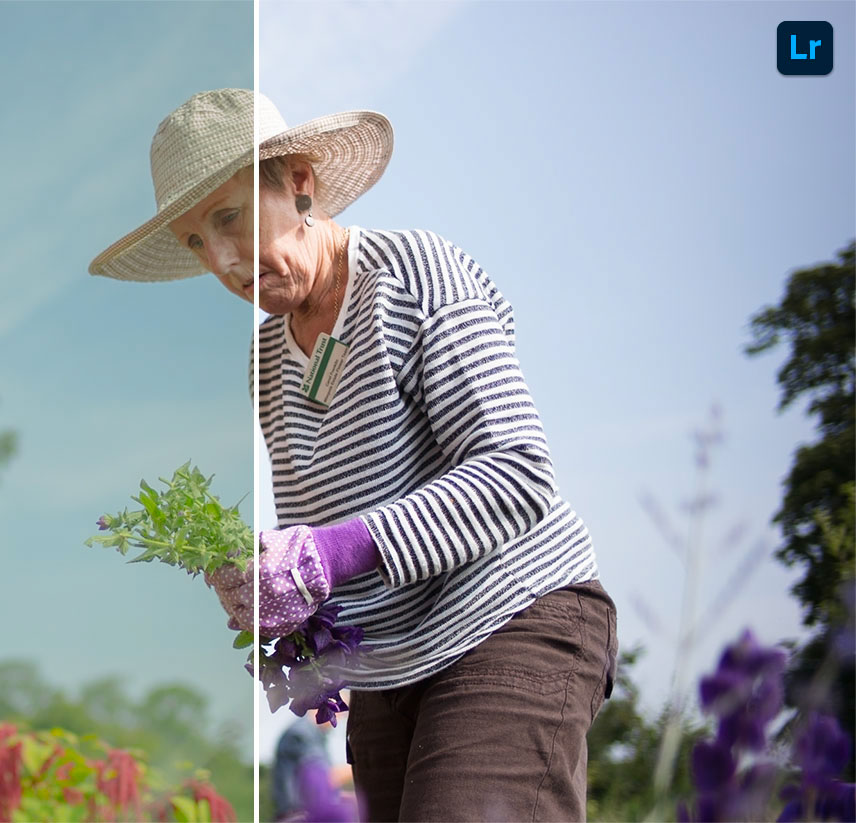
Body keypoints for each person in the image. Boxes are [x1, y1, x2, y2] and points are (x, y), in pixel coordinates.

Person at [91, 88, 618, 822]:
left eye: (229, 217)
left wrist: (326, 555)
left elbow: (517, 472)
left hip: (512, 616)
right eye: (195, 242)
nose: (222, 261)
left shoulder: (415, 275)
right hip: (396, 665)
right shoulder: (267, 358)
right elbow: (325, 545)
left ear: (300, 183)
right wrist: (276, 593)